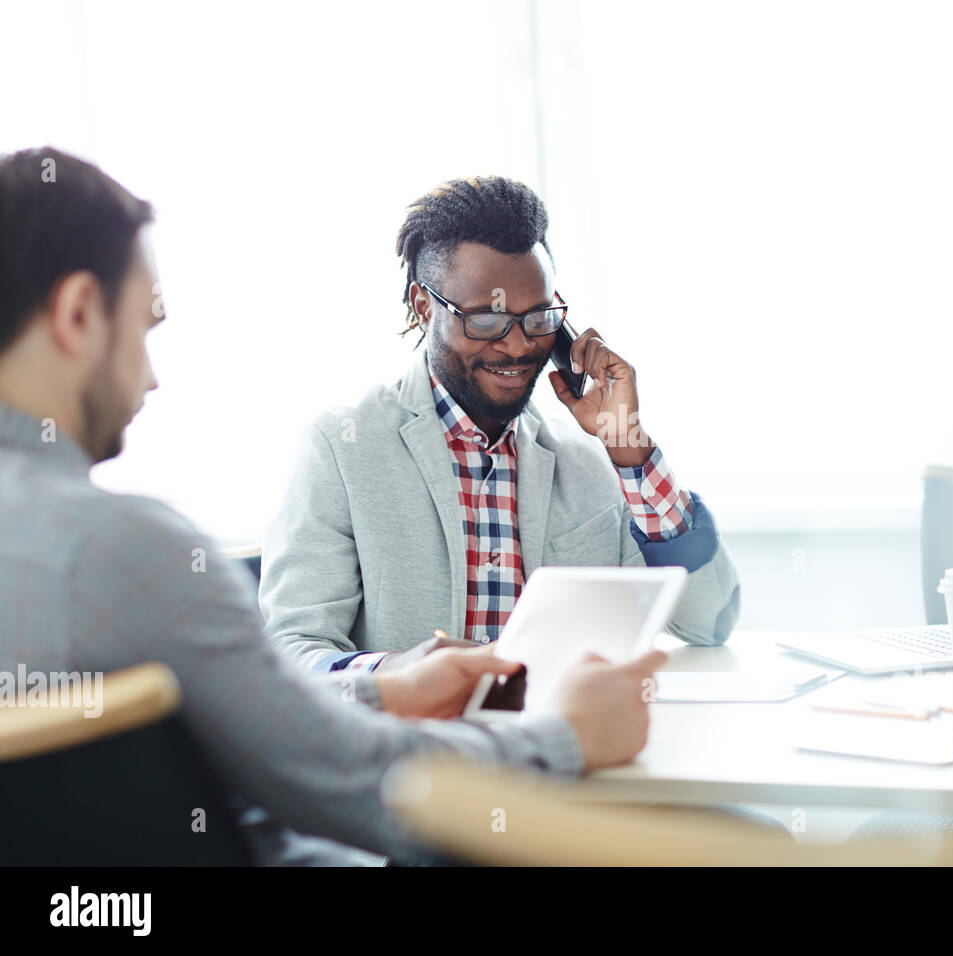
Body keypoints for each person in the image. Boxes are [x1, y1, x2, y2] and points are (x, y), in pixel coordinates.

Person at [0, 147, 664, 864]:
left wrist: (388, 692)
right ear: (75, 314)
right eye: (141, 330)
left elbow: (259, 725)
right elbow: (354, 783)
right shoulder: (127, 551)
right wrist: (566, 735)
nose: (152, 378)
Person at [260, 176, 740, 674]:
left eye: (538, 318)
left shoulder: (589, 459)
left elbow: (710, 622)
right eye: (487, 322)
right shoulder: (341, 450)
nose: (516, 346)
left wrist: (631, 450)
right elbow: (292, 654)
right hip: (417, 745)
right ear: (424, 307)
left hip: (563, 741)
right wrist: (401, 674)